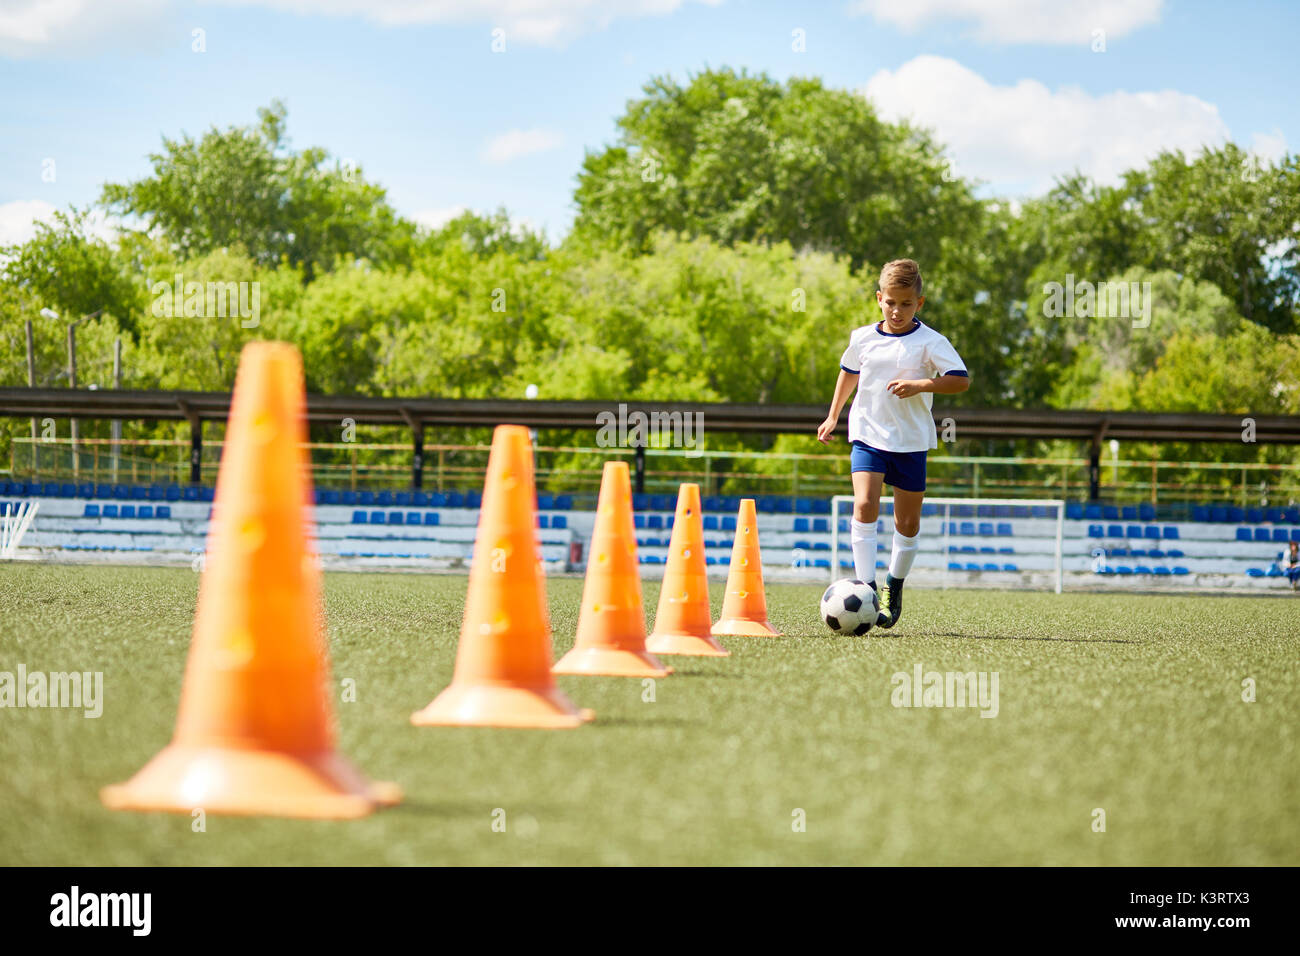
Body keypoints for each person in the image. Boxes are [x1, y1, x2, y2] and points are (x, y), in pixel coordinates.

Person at [817, 259, 970, 628]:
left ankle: (893, 586)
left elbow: (960, 380)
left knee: (907, 523)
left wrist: (921, 384)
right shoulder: (862, 338)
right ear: (879, 299)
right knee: (866, 504)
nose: (896, 310)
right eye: (890, 303)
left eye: (905, 303)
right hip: (868, 434)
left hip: (911, 440)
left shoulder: (932, 342)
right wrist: (833, 414)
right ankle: (866, 586)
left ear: (919, 303)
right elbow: (848, 373)